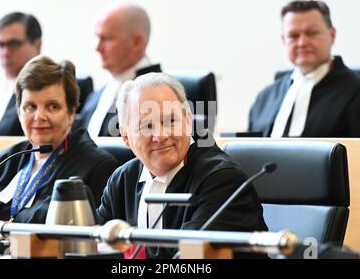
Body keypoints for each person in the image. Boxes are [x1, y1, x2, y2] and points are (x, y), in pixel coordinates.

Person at [96, 72, 267, 259]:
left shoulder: (223, 180)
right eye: (146, 126)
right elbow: (92, 246)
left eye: (170, 121)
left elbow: (188, 258)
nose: (161, 135)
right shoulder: (122, 180)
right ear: (126, 136)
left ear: (187, 120)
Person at [0, 55, 118, 225]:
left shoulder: (97, 167)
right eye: (30, 107)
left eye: (52, 106)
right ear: (19, 112)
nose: (39, 116)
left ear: (71, 113)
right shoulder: (6, 160)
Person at [248, 0, 360, 137]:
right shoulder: (265, 98)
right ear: (284, 40)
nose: (302, 42)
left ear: (332, 35)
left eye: (312, 33)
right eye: (293, 36)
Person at [76, 3, 162, 138]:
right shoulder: (96, 95)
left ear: (137, 42)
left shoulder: (160, 94)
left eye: (106, 39)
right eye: (97, 37)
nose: (97, 47)